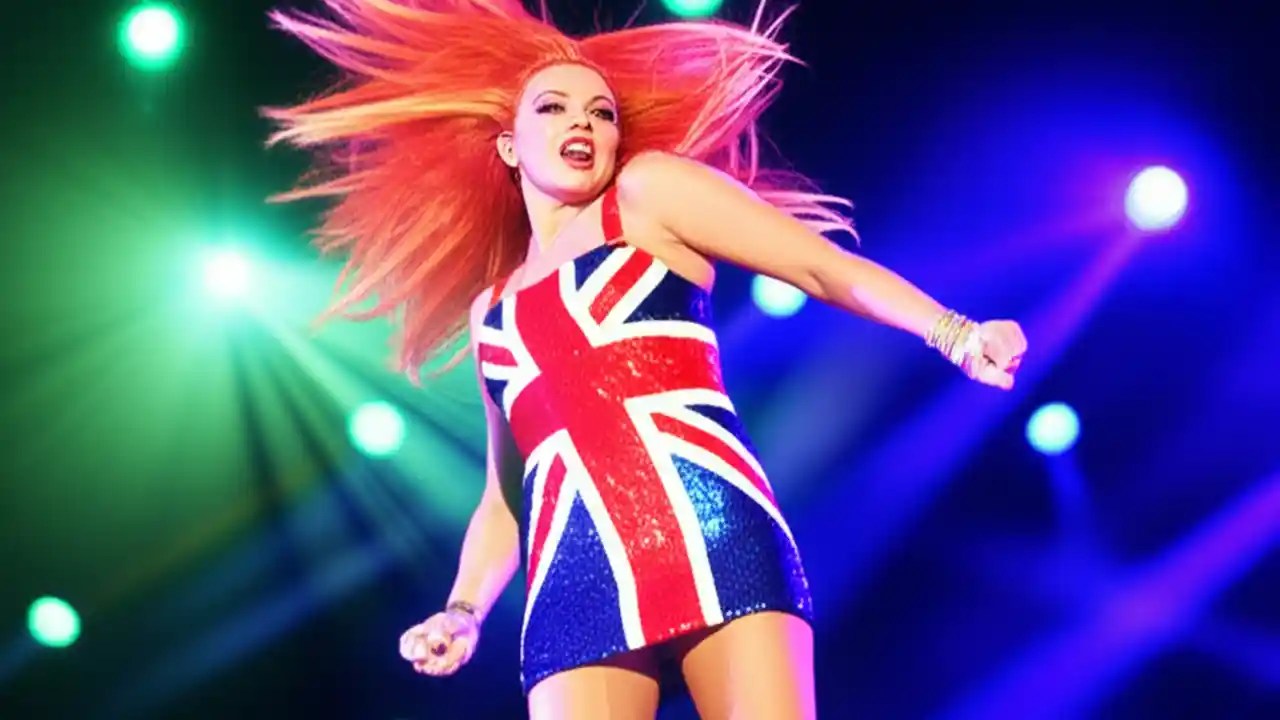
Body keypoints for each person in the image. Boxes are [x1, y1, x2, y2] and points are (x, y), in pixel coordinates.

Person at [263, 1, 1027, 718]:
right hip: (572, 582)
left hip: (713, 535)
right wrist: (462, 612)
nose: (583, 123)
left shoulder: (647, 194)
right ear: (507, 144)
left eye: (601, 113)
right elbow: (510, 495)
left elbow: (819, 267)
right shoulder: (490, 310)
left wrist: (955, 331)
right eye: (553, 107)